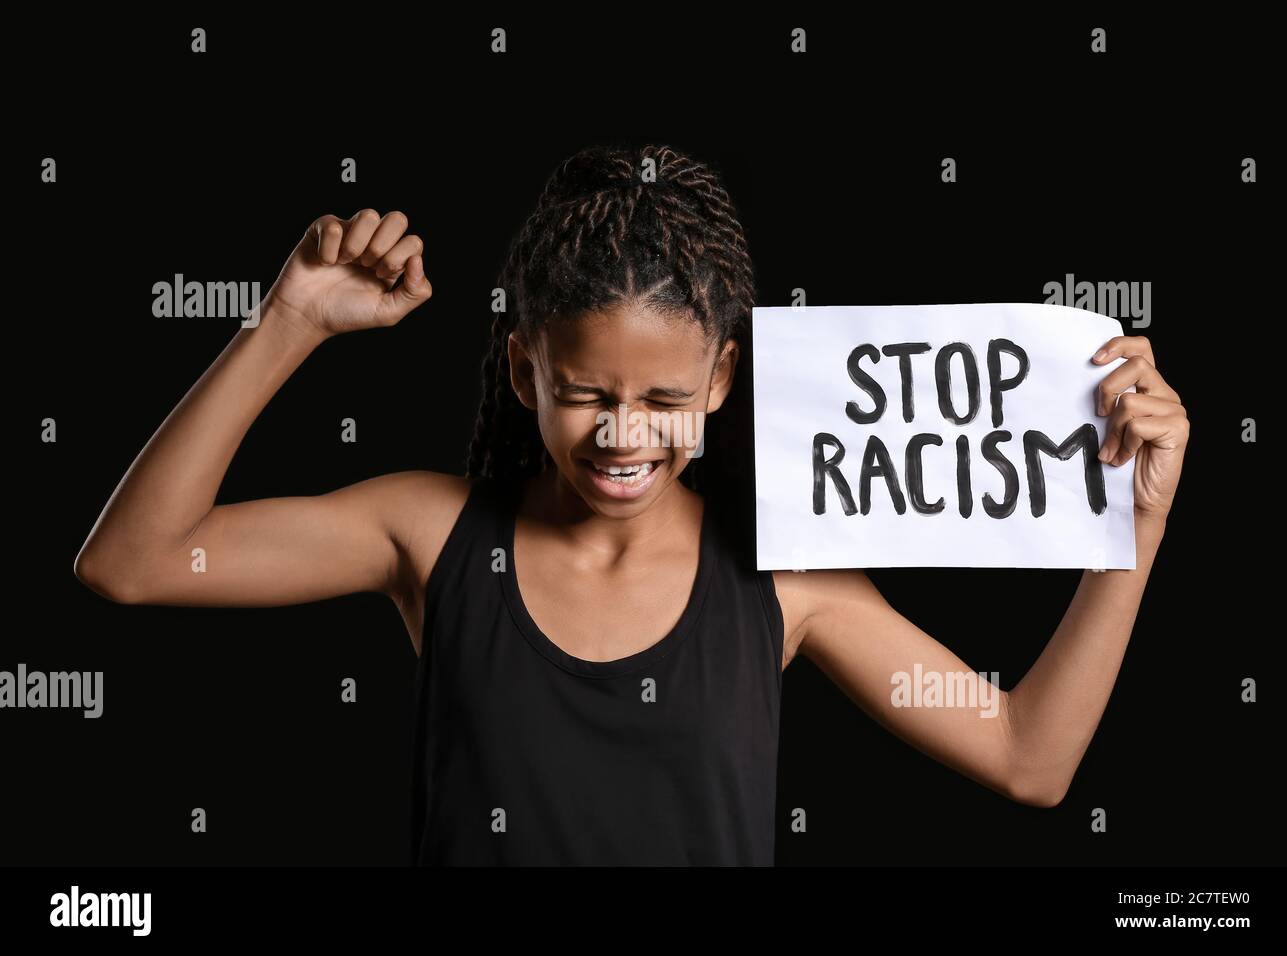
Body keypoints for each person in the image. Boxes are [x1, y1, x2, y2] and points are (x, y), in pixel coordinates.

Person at [73, 144, 1189, 865]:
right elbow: (135, 560)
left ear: (720, 382)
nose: (622, 433)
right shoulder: (430, 532)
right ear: (523, 374)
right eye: (583, 393)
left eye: (664, 397)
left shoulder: (786, 577)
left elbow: (1028, 757)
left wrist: (1129, 530)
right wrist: (290, 323)